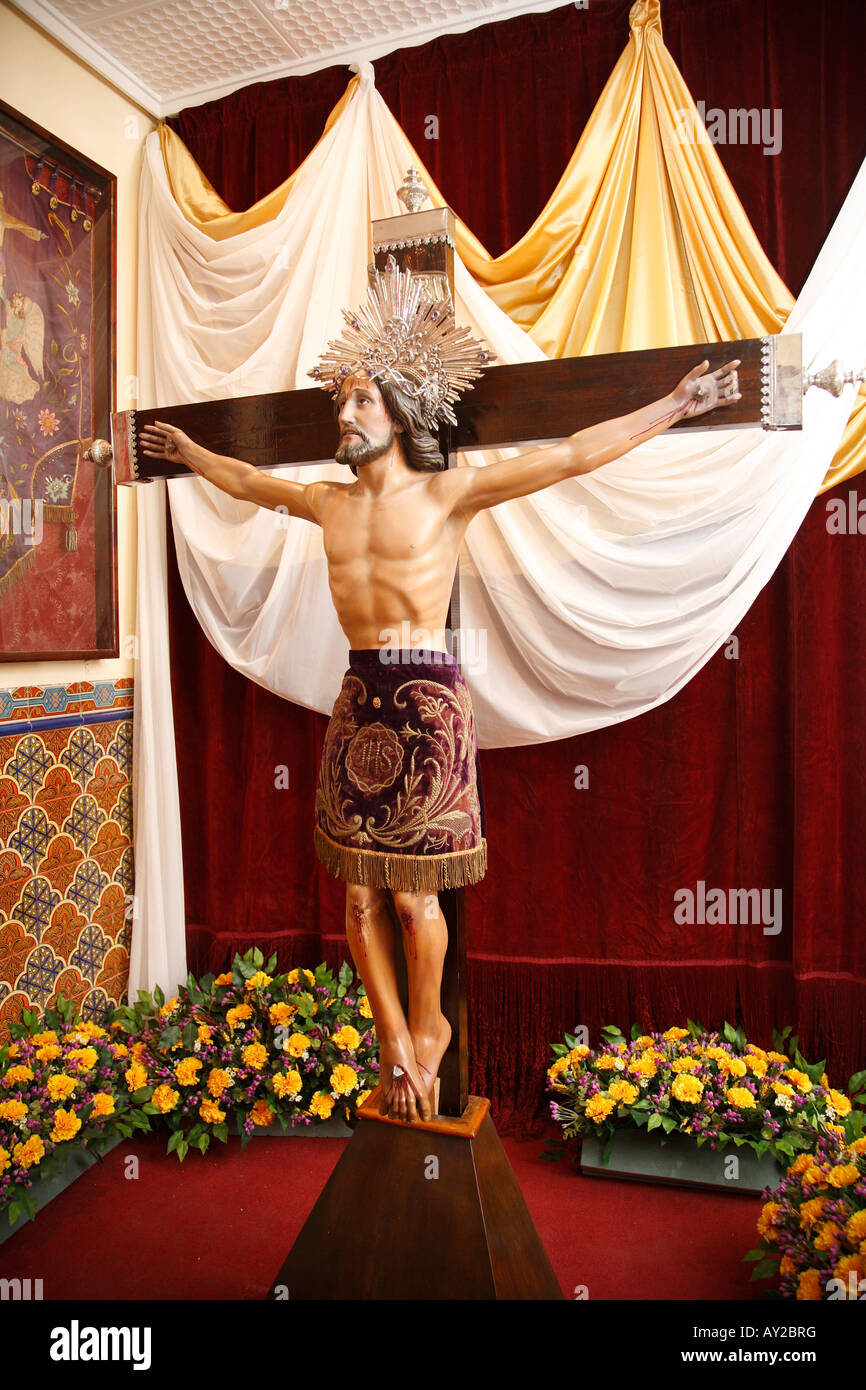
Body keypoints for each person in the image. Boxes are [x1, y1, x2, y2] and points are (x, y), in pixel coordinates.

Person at [140, 265, 740, 1125]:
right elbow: (242, 482)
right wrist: (192, 454)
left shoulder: (448, 495)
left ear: (399, 412)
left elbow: (569, 456)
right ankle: (392, 1039)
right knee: (357, 896)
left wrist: (675, 405)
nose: (343, 416)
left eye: (360, 402)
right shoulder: (324, 503)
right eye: (339, 402)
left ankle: (428, 1041)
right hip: (359, 702)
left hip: (427, 698)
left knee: (417, 898)